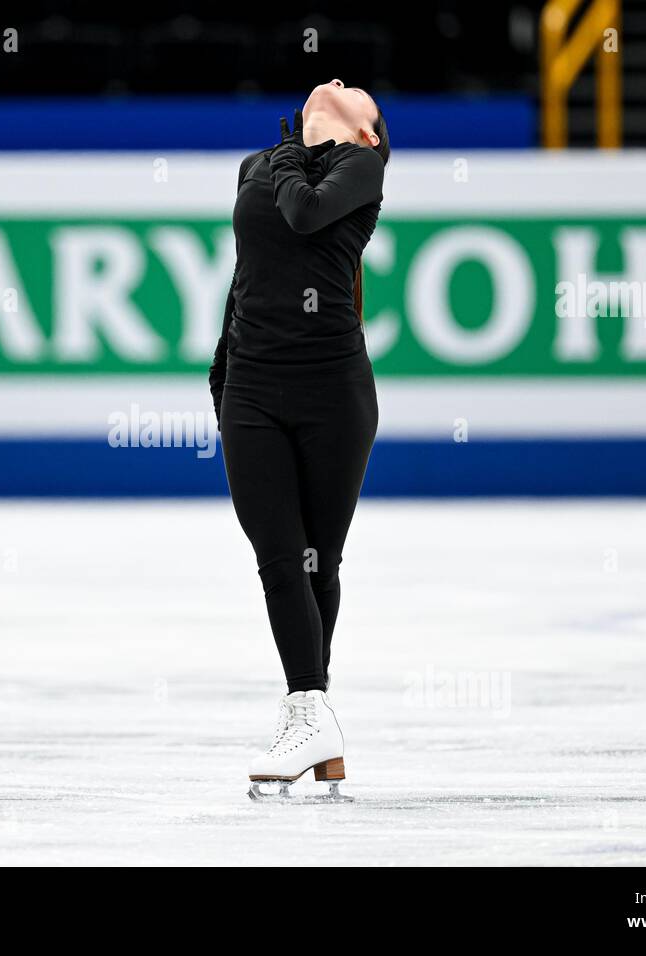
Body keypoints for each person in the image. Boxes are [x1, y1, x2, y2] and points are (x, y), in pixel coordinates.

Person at [209, 79, 389, 794]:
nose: (338, 80)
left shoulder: (361, 169)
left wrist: (294, 152)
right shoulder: (255, 164)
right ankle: (311, 717)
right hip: (252, 388)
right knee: (278, 557)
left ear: (369, 133)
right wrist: (222, 370)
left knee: (320, 561)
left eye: (358, 92)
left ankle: (308, 713)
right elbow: (246, 273)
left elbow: (305, 212)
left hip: (332, 393)